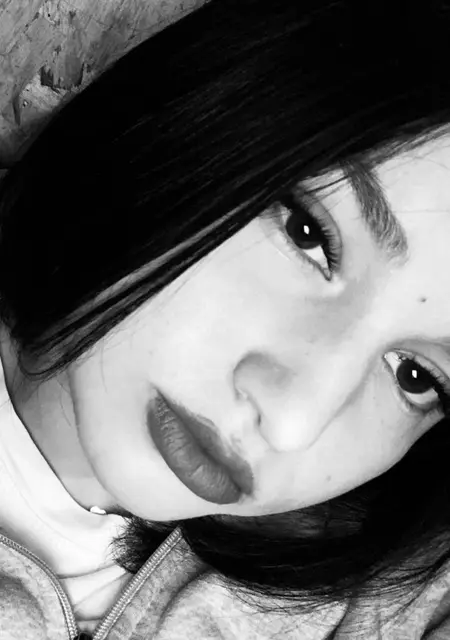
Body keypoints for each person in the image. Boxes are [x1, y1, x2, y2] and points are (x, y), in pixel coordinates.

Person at [1, 0, 450, 637]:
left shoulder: (390, 592)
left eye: (416, 376)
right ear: (200, 115)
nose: (293, 422)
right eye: (308, 234)